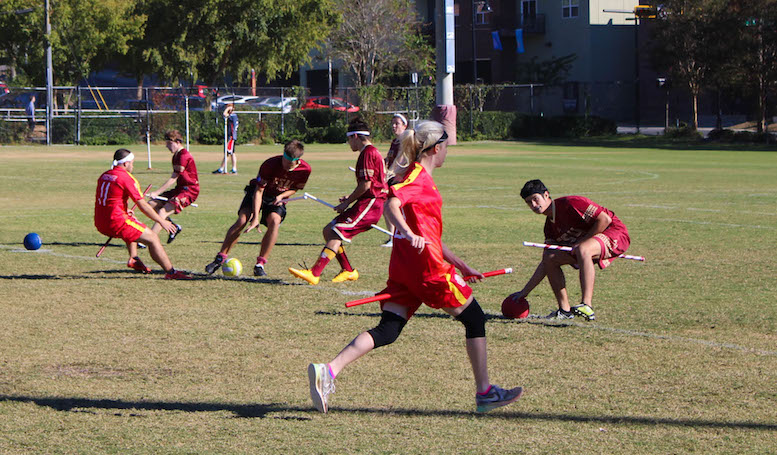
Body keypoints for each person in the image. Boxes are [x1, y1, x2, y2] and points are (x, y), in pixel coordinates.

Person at [307, 120, 523, 414]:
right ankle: (485, 392)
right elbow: (391, 204)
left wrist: (461, 264)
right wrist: (408, 233)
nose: (447, 152)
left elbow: (430, 233)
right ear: (436, 148)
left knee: (389, 329)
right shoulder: (417, 178)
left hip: (406, 269)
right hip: (427, 269)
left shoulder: (417, 176)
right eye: (446, 147)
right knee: (475, 318)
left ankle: (328, 371)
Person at [506, 179, 631, 321]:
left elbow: (605, 219)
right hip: (587, 247)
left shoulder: (571, 203)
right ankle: (565, 311)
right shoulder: (549, 228)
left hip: (616, 233)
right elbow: (544, 265)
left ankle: (587, 305)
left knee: (583, 249)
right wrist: (524, 292)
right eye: (529, 202)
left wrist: (582, 242)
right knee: (550, 258)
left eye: (535, 199)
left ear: (546, 195)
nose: (533, 205)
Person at [289, 118, 387, 285]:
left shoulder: (368, 153)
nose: (349, 143)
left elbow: (366, 185)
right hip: (366, 202)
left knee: (335, 232)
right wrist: (349, 199)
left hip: (371, 204)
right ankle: (348, 270)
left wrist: (347, 202)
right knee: (329, 231)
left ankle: (314, 273)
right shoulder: (369, 152)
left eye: (349, 139)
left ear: (355, 136)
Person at [205, 140, 311, 276]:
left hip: (276, 198)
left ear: (297, 160)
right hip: (258, 193)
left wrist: (282, 196)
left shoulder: (305, 170)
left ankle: (260, 264)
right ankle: (219, 259)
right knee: (242, 220)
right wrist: (255, 217)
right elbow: (259, 192)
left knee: (275, 222)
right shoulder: (270, 164)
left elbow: (295, 188)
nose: (284, 165)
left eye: (288, 164)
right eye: (284, 160)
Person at [94, 149, 191, 280]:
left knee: (134, 224)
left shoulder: (105, 175)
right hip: (115, 221)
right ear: (125, 163)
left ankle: (134, 258)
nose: (132, 166)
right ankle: (171, 272)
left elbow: (109, 199)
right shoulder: (126, 178)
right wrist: (161, 221)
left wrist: (124, 210)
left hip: (100, 221)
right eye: (132, 163)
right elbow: (143, 205)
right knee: (152, 238)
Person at [148, 130, 200, 244]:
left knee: (163, 212)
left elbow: (174, 177)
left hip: (189, 191)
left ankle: (148, 240)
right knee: (152, 204)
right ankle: (173, 228)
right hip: (180, 189)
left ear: (177, 142)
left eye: (168, 143)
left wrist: (157, 192)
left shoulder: (183, 155)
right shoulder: (176, 155)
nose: (166, 146)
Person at [380, 113, 408, 248]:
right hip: (390, 179)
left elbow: (401, 162)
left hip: (399, 180)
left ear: (404, 126)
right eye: (393, 123)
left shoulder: (406, 142)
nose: (394, 126)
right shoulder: (394, 142)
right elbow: (389, 159)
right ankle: (392, 236)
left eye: (397, 123)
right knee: (386, 208)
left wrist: (390, 173)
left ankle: (398, 236)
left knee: (393, 208)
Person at [214, 104, 238, 174]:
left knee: (227, 153)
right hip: (232, 136)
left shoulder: (233, 116)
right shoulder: (234, 116)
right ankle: (233, 168)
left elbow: (224, 114)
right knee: (232, 153)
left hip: (231, 136)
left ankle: (221, 169)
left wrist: (228, 109)